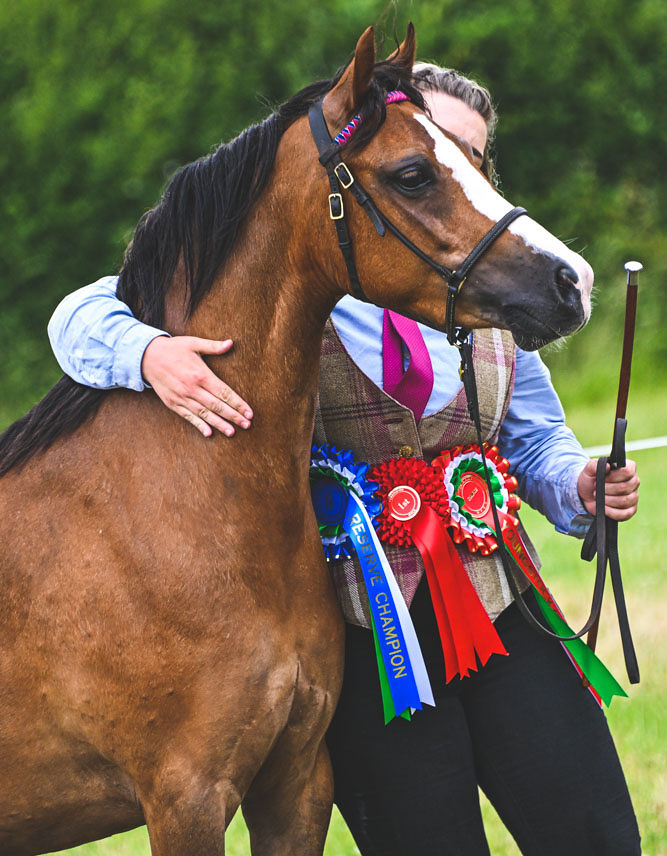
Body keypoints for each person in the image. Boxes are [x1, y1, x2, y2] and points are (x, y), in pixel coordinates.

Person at [48, 62, 641, 856]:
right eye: (429, 168)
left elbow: (531, 439)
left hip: (500, 604)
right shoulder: (292, 295)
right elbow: (83, 308)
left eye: (473, 163)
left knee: (593, 833)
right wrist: (149, 353)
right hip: (368, 634)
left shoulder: (481, 299)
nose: (456, 184)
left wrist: (577, 485)